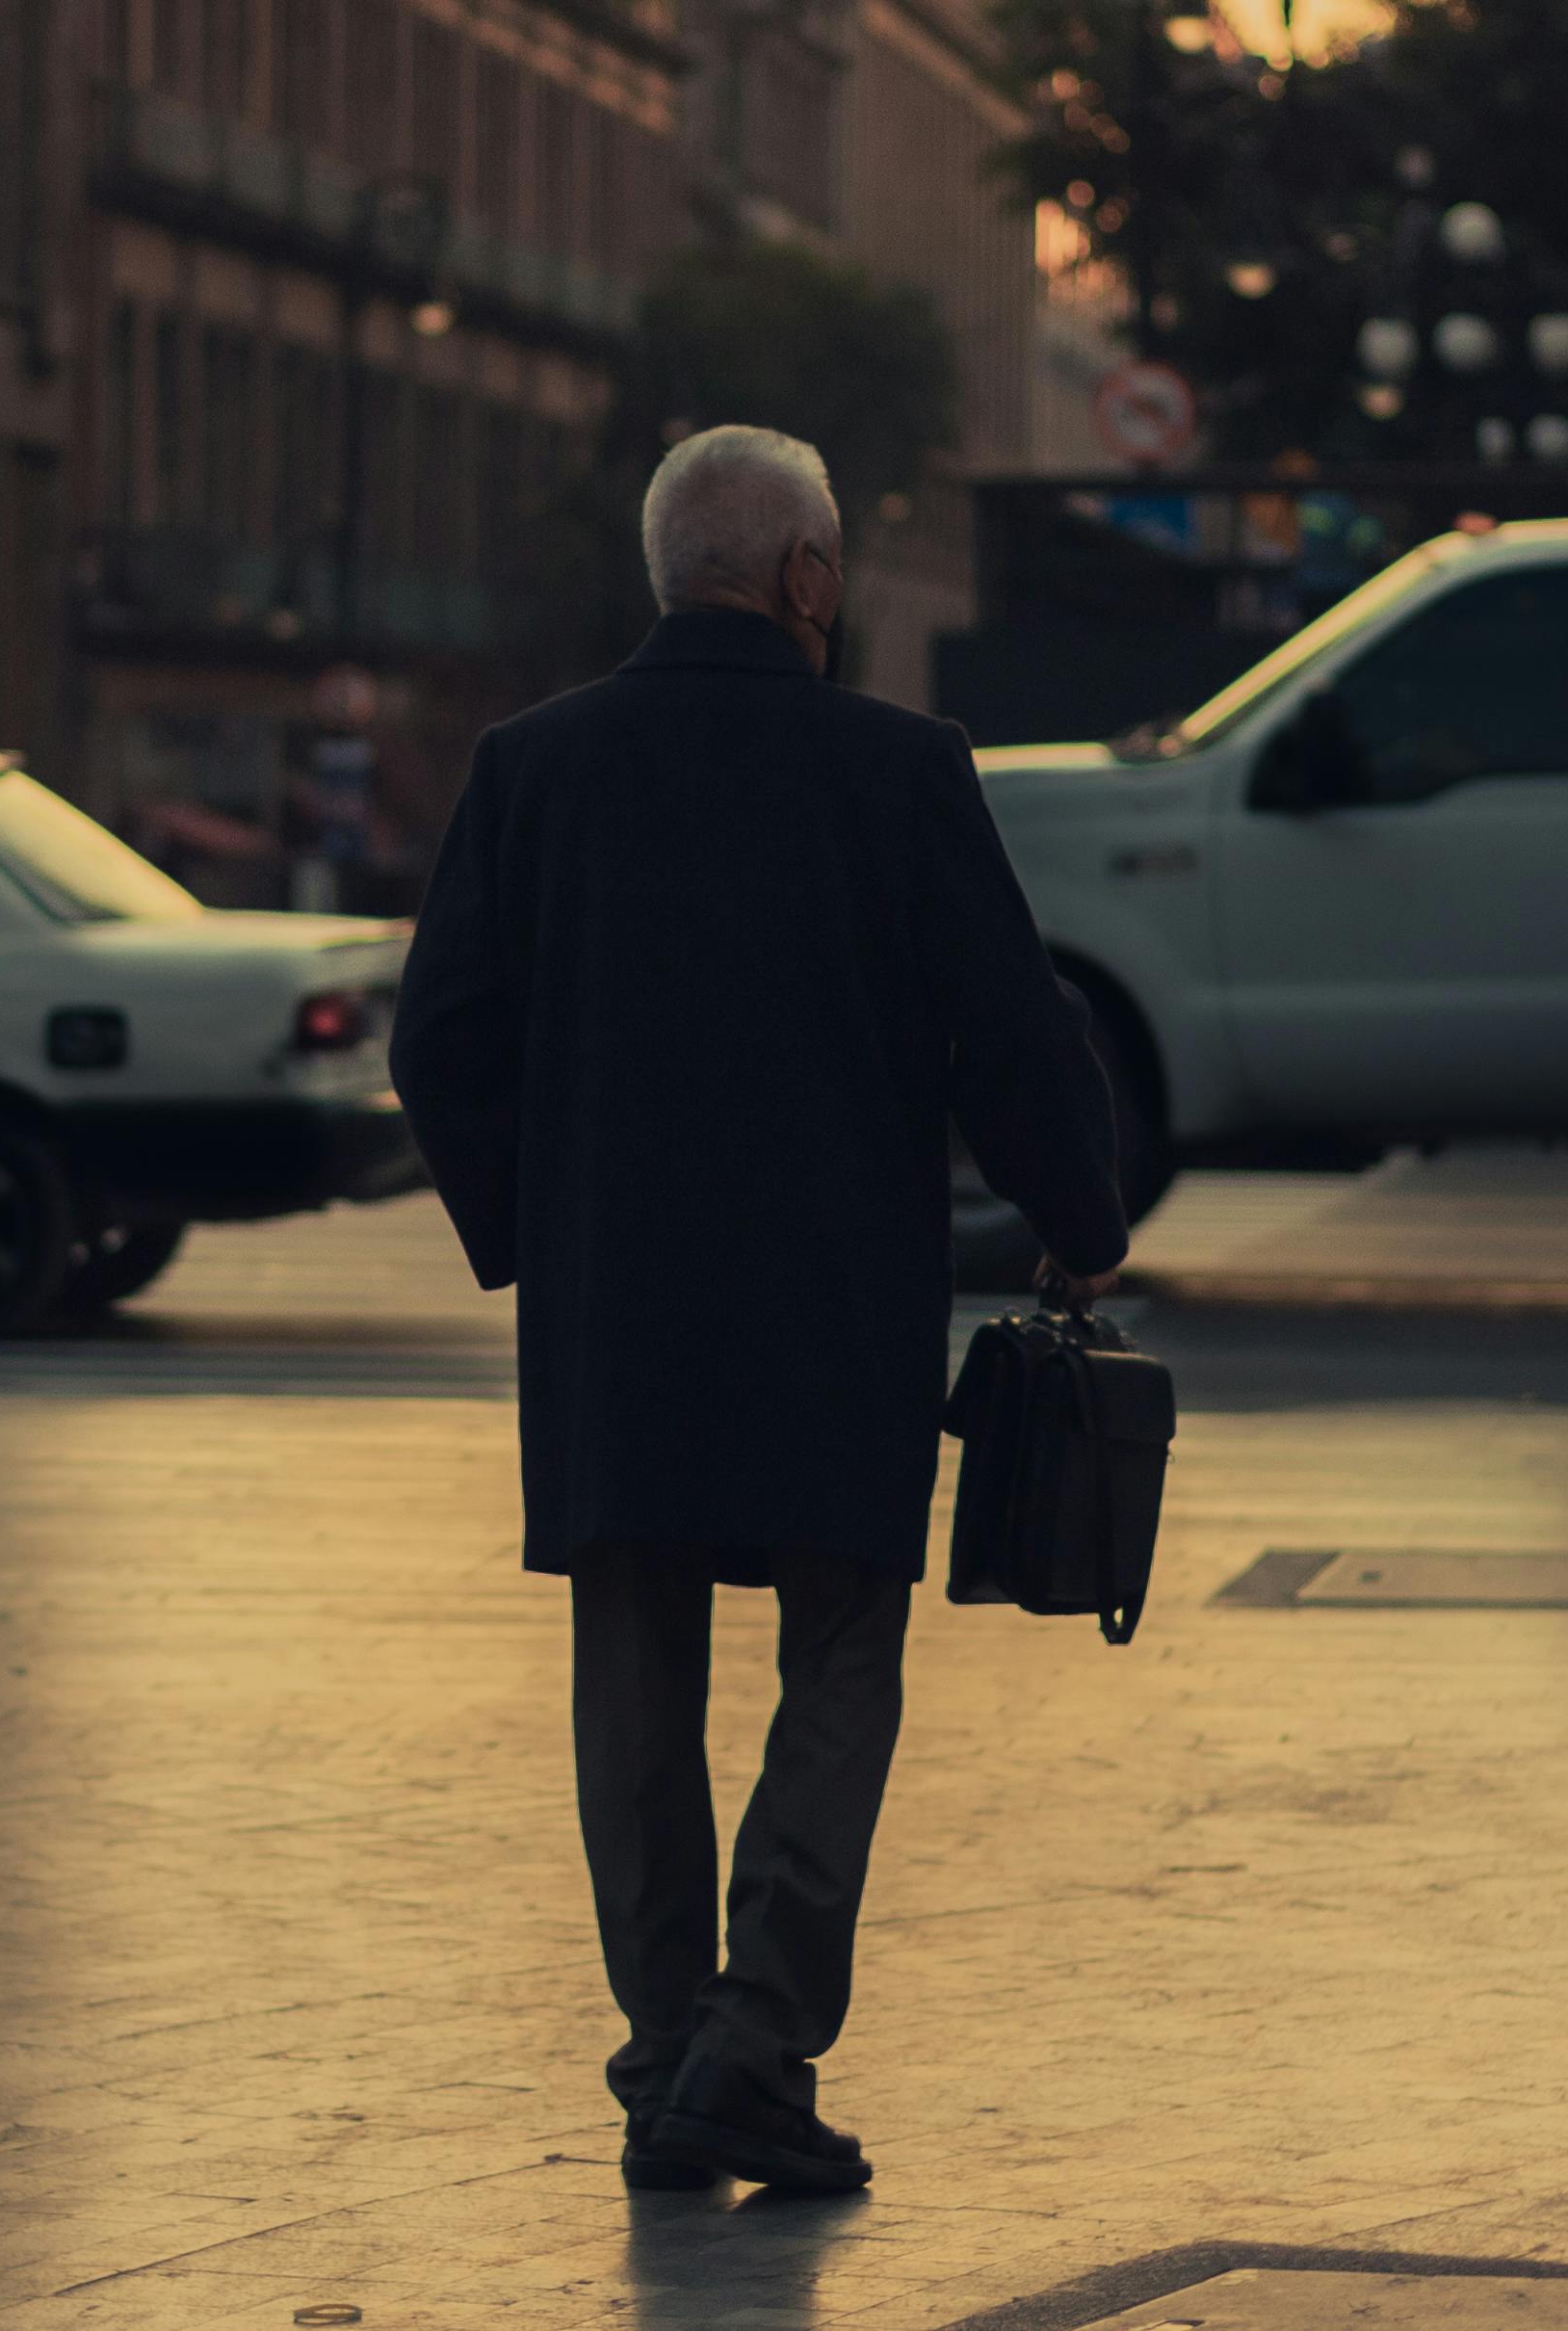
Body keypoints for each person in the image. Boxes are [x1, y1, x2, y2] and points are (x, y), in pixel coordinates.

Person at [389, 424, 1132, 2197]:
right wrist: (1078, 1218)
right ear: (804, 578)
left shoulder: (531, 769)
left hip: (614, 1313)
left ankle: (666, 2058)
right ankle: (753, 2045)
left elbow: (438, 1043)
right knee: (839, 1659)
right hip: (831, 1300)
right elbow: (1012, 1027)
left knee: (632, 1663)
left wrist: (534, 1235)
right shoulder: (899, 771)